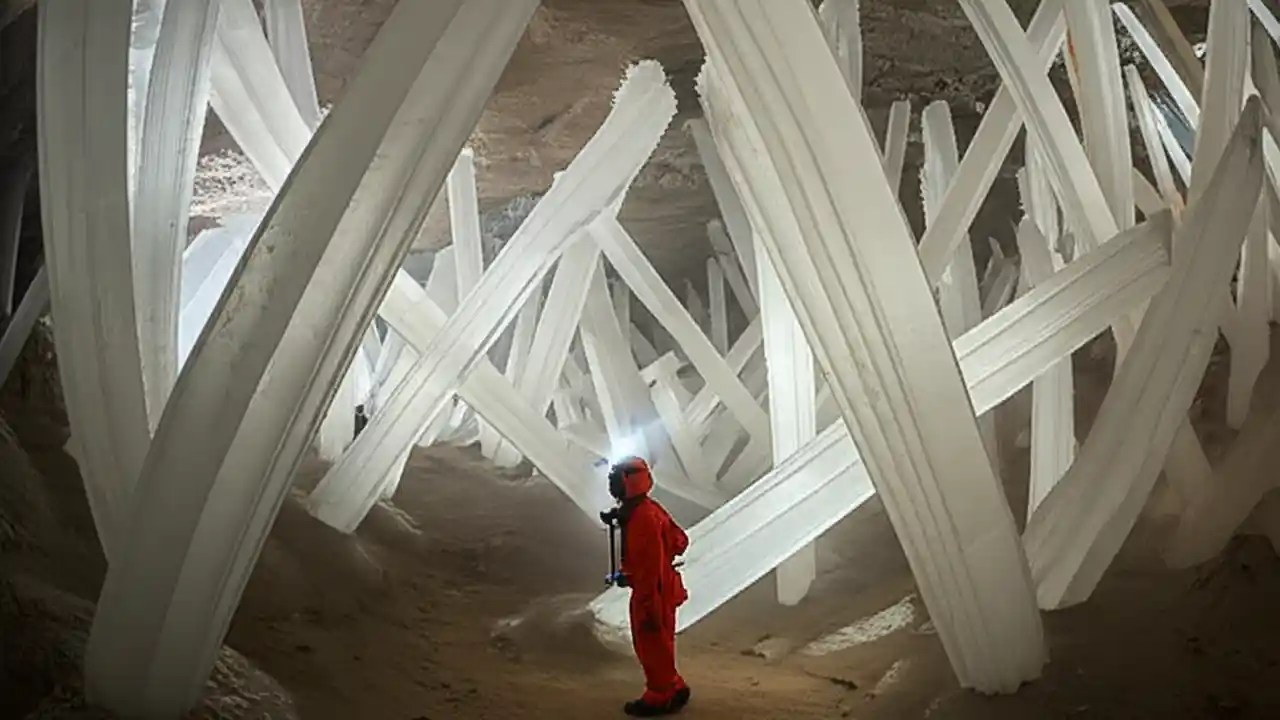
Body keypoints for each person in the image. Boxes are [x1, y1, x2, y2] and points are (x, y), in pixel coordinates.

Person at [606, 456, 692, 717]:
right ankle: (674, 685)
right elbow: (679, 539)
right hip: (661, 587)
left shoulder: (643, 518)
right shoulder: (648, 509)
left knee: (651, 643)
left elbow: (649, 565)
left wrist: (633, 583)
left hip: (652, 592)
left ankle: (659, 695)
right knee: (662, 643)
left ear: (627, 482)